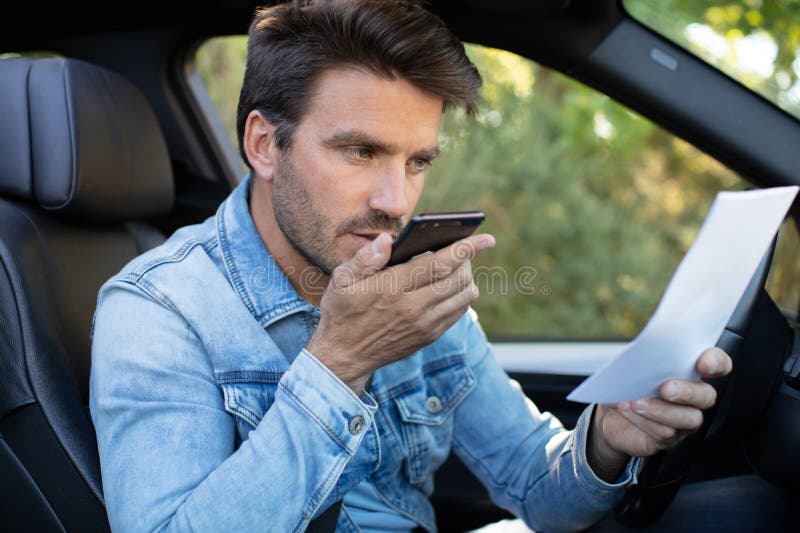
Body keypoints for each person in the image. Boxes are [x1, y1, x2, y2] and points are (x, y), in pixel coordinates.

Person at [89, 1, 734, 531]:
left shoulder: (411, 280)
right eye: (360, 151)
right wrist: (339, 364)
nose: (395, 202)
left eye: (417, 161)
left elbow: (534, 485)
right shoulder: (158, 311)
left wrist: (607, 440)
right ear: (264, 144)